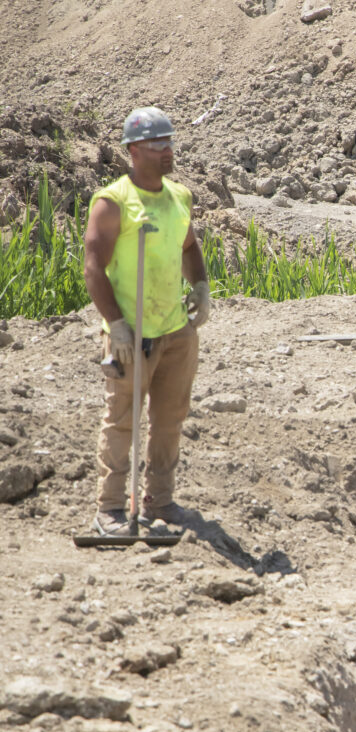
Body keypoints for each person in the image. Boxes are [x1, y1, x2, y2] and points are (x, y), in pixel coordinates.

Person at [83, 107, 210, 535]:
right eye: (157, 144)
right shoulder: (113, 201)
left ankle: (160, 499)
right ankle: (111, 508)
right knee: (122, 418)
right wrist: (115, 324)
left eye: (170, 141)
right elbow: (93, 268)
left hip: (174, 330)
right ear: (134, 150)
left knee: (170, 418)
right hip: (131, 334)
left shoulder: (179, 197)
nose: (167, 150)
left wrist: (201, 287)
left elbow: (189, 247)